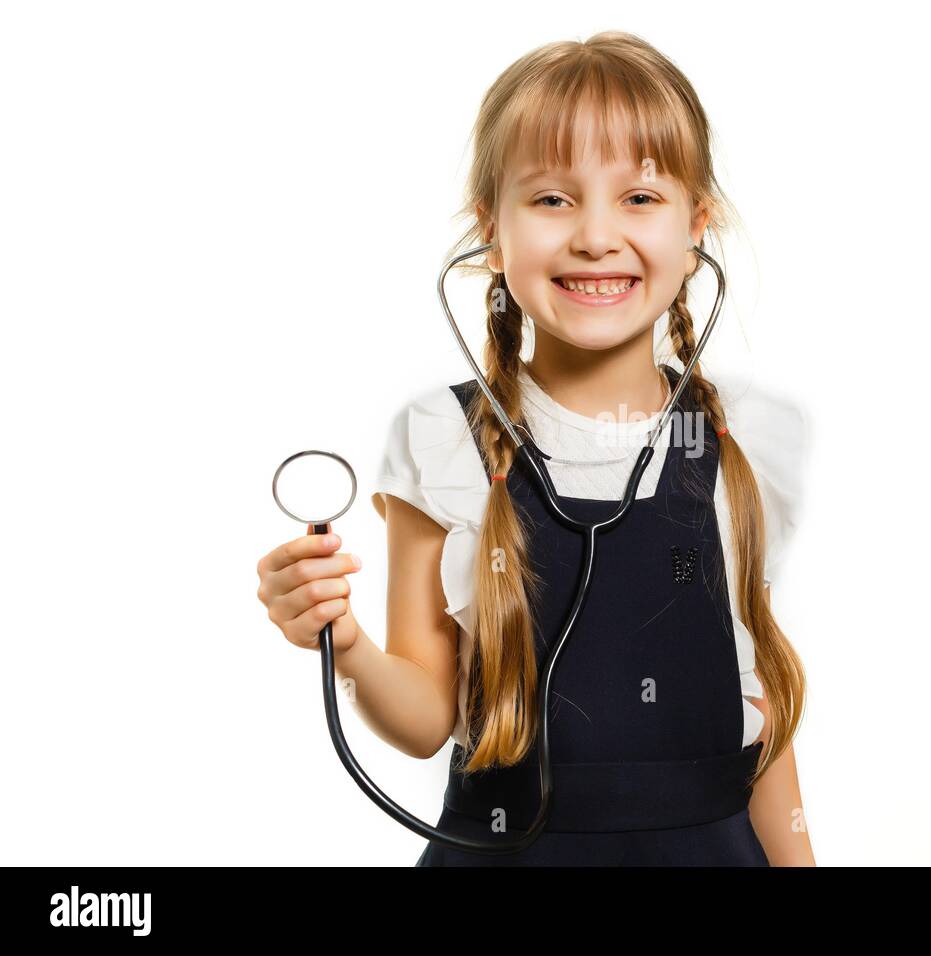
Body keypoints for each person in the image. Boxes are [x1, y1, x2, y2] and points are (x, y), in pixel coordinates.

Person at [257, 31, 813, 866]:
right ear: (491, 228)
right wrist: (340, 639)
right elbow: (424, 718)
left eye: (639, 198)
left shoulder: (739, 437)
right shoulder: (443, 439)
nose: (595, 236)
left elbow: (753, 711)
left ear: (697, 223)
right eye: (552, 199)